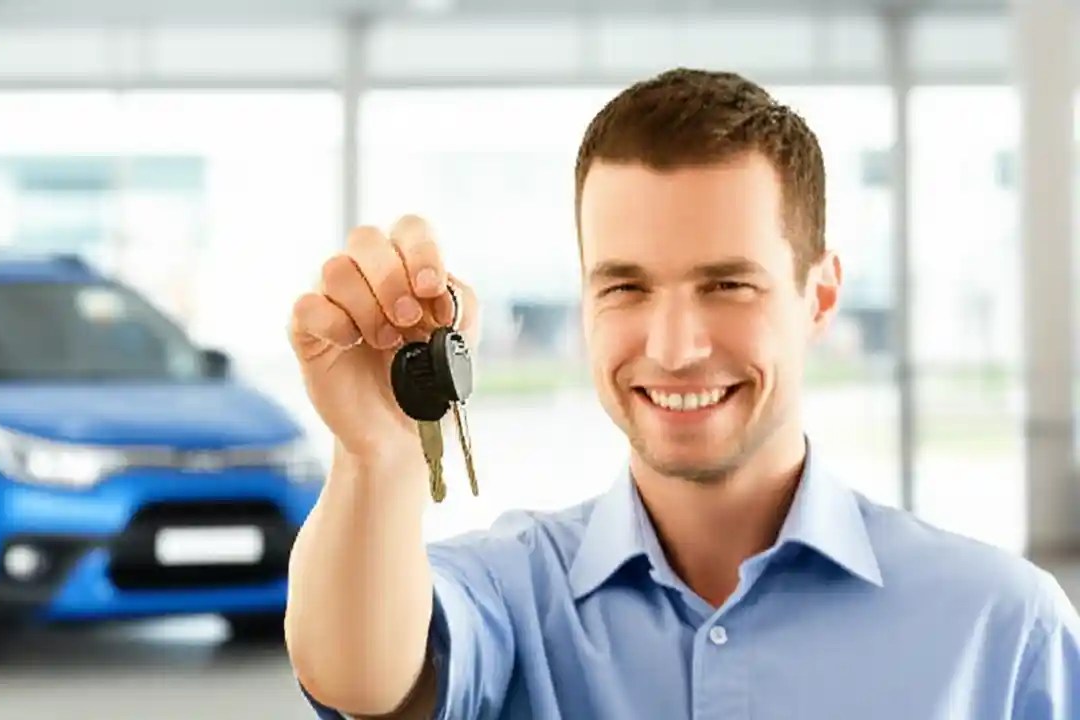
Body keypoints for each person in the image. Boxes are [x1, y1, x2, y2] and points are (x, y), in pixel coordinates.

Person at [283, 67, 1080, 719]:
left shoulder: (1003, 629)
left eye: (727, 285)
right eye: (625, 288)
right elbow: (360, 678)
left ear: (820, 296)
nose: (673, 348)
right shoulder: (509, 593)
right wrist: (377, 454)